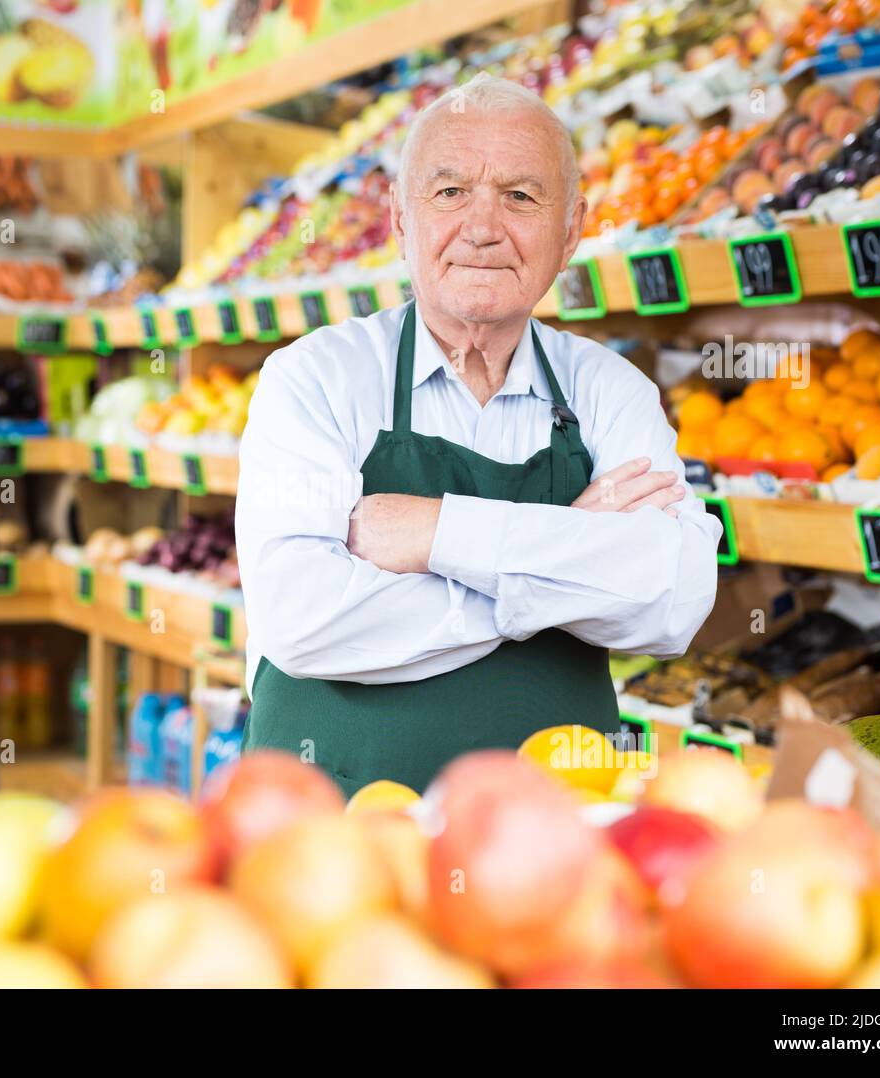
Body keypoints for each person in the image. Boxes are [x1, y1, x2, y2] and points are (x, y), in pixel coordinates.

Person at [235, 75, 722, 796]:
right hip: (336, 839)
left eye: (522, 196)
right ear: (401, 219)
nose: (484, 227)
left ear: (571, 231)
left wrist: (437, 535)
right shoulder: (313, 379)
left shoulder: (610, 390)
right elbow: (302, 616)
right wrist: (564, 555)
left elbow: (672, 599)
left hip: (559, 838)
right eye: (450, 192)